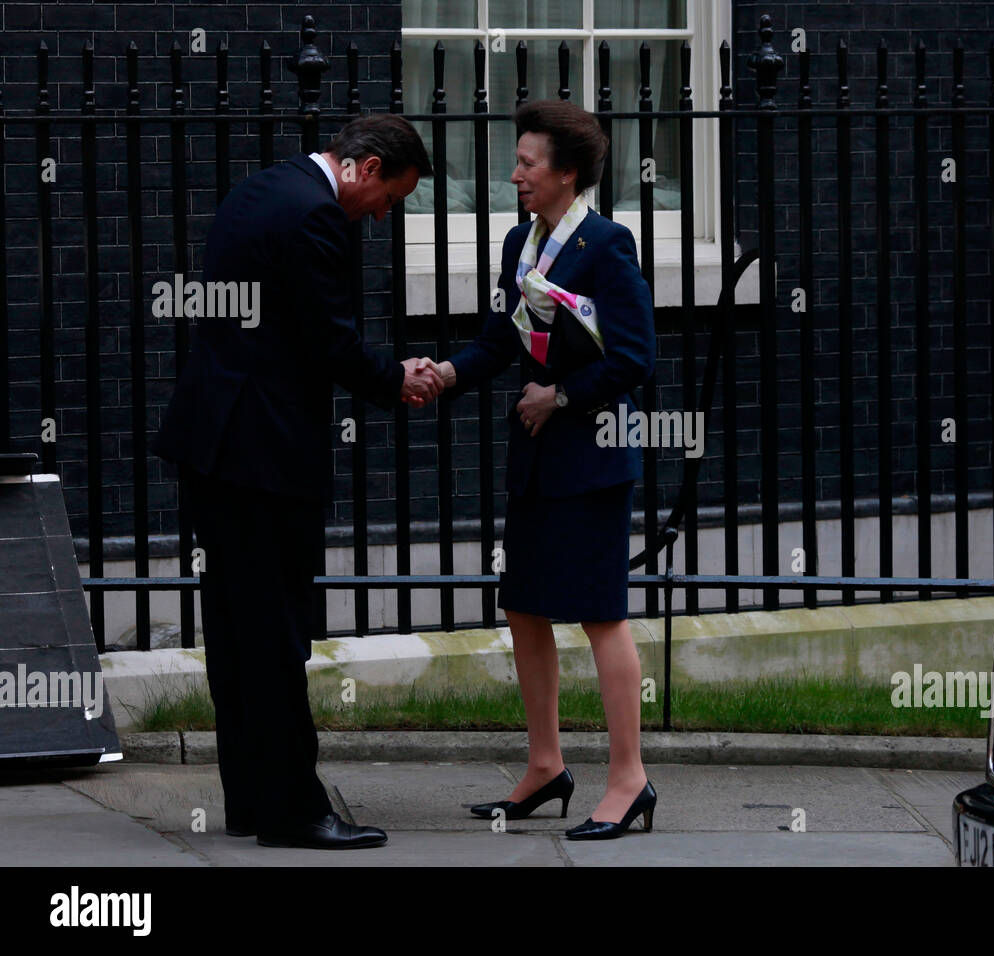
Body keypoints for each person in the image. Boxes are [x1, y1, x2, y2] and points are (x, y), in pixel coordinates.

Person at [152, 114, 443, 849]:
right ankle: (292, 809)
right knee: (277, 632)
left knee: (235, 628)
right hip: (263, 452)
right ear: (366, 168)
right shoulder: (316, 213)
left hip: (214, 439)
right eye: (389, 199)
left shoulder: (262, 188)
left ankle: (251, 796)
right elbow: (328, 337)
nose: (382, 216)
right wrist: (395, 377)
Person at [436, 99, 657, 840]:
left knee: (601, 615)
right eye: (518, 161)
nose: (515, 175)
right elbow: (502, 337)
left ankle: (629, 781)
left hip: (591, 460)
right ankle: (545, 766)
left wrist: (560, 395)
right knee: (525, 607)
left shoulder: (606, 245)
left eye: (528, 163)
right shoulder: (518, 244)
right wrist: (445, 373)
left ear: (567, 173)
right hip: (535, 456)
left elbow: (635, 358)